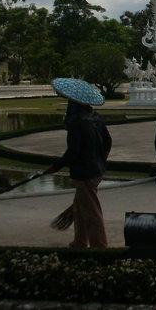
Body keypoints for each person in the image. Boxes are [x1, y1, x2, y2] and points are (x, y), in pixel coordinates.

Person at [47, 78, 112, 249]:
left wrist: (57, 165)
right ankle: (80, 241)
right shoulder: (96, 117)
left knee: (91, 212)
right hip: (96, 170)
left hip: (85, 172)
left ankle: (100, 246)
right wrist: (101, 161)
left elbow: (73, 151)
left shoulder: (76, 122)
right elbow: (108, 142)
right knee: (79, 209)